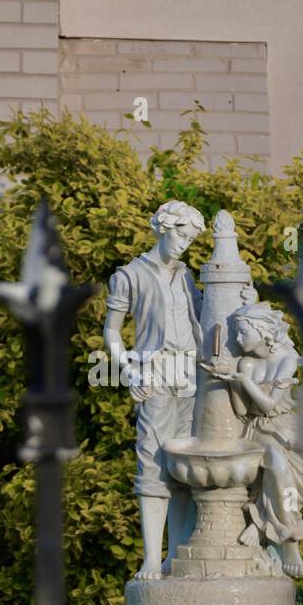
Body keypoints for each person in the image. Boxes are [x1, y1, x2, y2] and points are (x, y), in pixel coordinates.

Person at [103, 201, 204, 579]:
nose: (184, 244)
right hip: (156, 373)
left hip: (190, 376)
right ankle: (150, 558)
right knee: (153, 463)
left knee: (184, 469)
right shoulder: (129, 275)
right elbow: (112, 331)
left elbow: (198, 320)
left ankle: (174, 556)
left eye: (191, 239)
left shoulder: (186, 275)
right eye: (181, 234)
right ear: (163, 227)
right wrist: (128, 370)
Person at [203, 301, 303, 577]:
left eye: (243, 333)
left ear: (263, 332)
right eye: (236, 333)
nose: (238, 340)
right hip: (258, 430)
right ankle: (290, 540)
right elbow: (242, 410)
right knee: (275, 462)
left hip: (287, 428)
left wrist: (243, 381)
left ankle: (261, 522)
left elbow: (272, 405)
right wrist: (233, 382)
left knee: (289, 472)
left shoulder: (286, 359)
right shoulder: (246, 363)